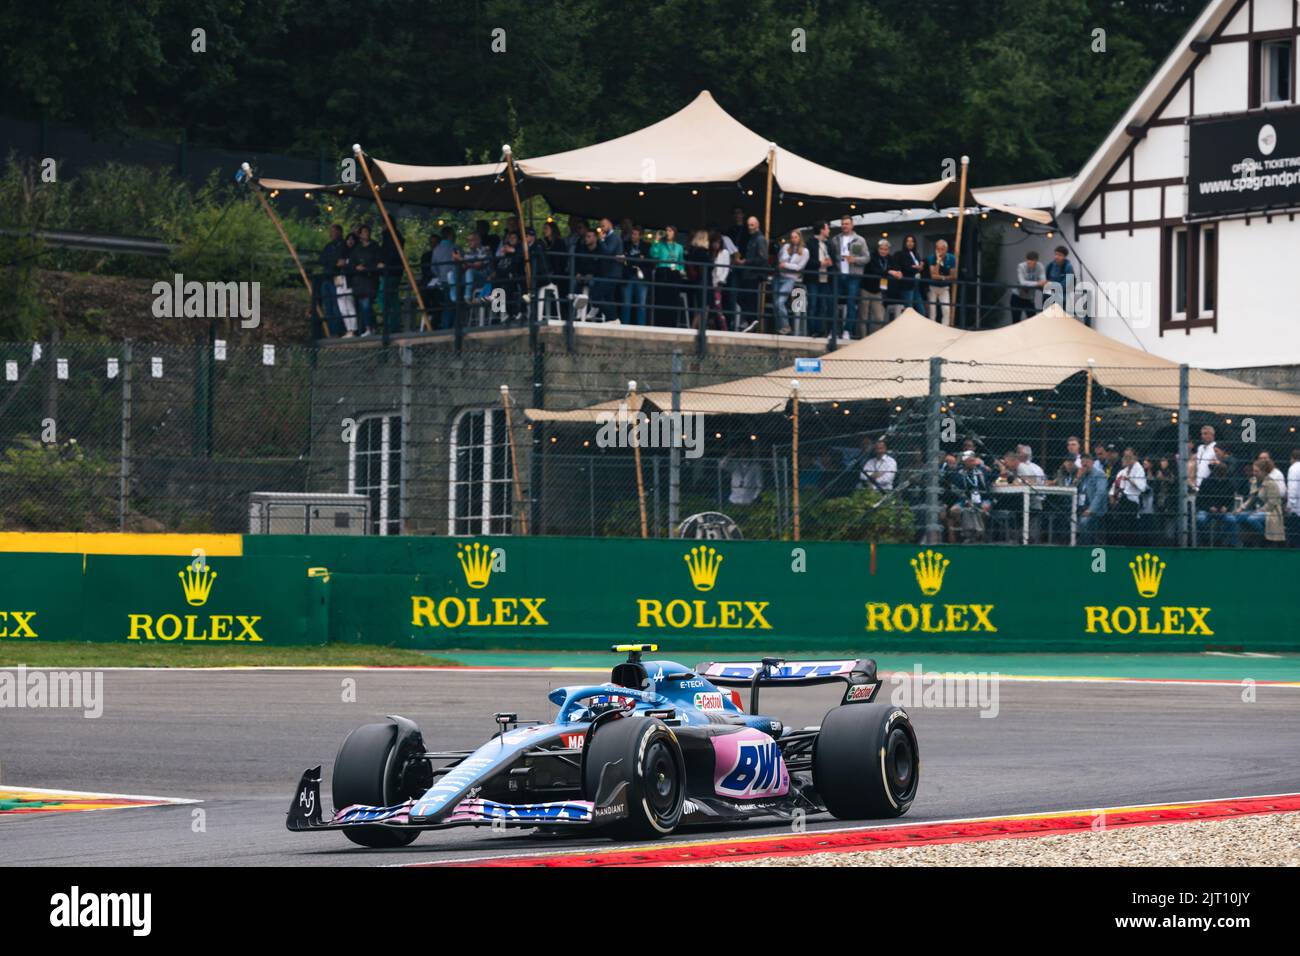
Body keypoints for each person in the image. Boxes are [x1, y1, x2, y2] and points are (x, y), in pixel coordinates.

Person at [1222, 458, 1286, 546]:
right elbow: (1252, 498)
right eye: (1253, 471)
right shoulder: (1254, 481)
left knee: (1252, 519)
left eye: (1256, 471)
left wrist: (1259, 511)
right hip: (1256, 510)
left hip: (1271, 512)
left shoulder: (1271, 483)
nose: (1254, 473)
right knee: (1233, 517)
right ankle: (1236, 543)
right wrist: (1241, 508)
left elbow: (1271, 503)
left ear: (1264, 471)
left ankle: (1265, 538)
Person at [832, 217, 868, 339]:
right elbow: (832, 256)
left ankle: (847, 330)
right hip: (839, 275)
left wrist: (855, 260)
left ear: (852, 225)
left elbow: (866, 258)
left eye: (847, 224)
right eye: (843, 224)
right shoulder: (835, 239)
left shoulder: (860, 240)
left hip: (853, 276)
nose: (844, 226)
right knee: (832, 302)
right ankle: (834, 330)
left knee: (851, 303)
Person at [732, 216, 768, 332]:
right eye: (748, 225)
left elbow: (763, 258)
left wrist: (745, 262)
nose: (750, 227)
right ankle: (751, 320)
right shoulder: (753, 238)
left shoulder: (760, 239)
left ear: (757, 225)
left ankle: (752, 320)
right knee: (743, 297)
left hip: (754, 274)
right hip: (749, 273)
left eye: (752, 225)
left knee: (747, 298)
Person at [947, 451, 992, 542]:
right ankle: (973, 534)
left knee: (983, 508)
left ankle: (975, 535)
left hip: (982, 498)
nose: (973, 463)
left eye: (973, 460)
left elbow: (987, 487)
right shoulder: (959, 473)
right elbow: (957, 490)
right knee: (954, 510)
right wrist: (966, 500)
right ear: (964, 462)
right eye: (970, 461)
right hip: (964, 499)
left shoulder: (981, 471)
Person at [347, 225, 383, 335]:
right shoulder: (357, 249)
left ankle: (369, 328)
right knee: (364, 306)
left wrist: (367, 268)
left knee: (366, 304)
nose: (366, 234)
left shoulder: (375, 246)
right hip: (359, 281)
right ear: (360, 235)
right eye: (364, 232)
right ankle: (371, 327)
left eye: (367, 231)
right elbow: (351, 263)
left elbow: (379, 263)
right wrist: (356, 267)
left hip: (370, 279)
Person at [1107, 447, 1147, 545]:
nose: (1126, 459)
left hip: (1132, 503)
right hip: (1120, 503)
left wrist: (1129, 479)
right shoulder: (1122, 472)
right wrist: (1112, 498)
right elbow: (1113, 488)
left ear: (1135, 457)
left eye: (1129, 457)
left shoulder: (1139, 469)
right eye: (1125, 456)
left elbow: (1142, 487)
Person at [862, 238, 904, 332]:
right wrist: (889, 272)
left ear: (888, 250)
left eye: (885, 249)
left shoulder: (890, 258)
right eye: (881, 249)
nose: (883, 251)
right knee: (863, 317)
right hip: (866, 289)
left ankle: (873, 337)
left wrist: (899, 272)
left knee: (879, 318)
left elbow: (896, 267)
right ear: (878, 249)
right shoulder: (872, 257)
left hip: (878, 291)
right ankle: (863, 338)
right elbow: (876, 270)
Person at [649, 225, 686, 326]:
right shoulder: (660, 244)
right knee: (661, 298)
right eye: (666, 230)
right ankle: (659, 324)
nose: (668, 232)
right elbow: (653, 254)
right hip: (662, 271)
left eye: (670, 231)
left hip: (674, 273)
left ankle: (671, 324)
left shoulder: (679, 247)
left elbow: (681, 261)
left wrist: (682, 270)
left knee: (673, 299)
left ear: (674, 233)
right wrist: (656, 241)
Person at [775, 229, 808, 335]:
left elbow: (799, 267)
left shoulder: (804, 251)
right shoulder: (786, 247)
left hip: (792, 278)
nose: (793, 239)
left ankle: (786, 326)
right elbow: (780, 259)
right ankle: (780, 327)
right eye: (792, 237)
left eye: (795, 237)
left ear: (800, 238)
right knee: (776, 303)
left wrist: (786, 265)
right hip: (780, 276)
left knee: (780, 302)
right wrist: (786, 264)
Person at [805, 221, 836, 335]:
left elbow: (833, 260)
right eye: (827, 228)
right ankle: (811, 331)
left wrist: (830, 263)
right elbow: (806, 261)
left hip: (825, 279)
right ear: (822, 230)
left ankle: (819, 331)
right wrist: (820, 263)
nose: (829, 230)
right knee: (812, 304)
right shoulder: (810, 243)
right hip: (813, 279)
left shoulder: (829, 244)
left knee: (822, 305)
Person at [1195, 461, 1235, 545]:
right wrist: (1209, 507)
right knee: (1200, 519)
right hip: (1207, 510)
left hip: (1222, 511)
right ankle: (1203, 542)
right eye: (1219, 473)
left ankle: (1227, 543)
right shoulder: (1206, 482)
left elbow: (1231, 500)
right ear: (1215, 472)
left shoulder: (1229, 483)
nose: (1221, 476)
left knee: (1231, 520)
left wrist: (1226, 507)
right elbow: (1199, 500)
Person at [318, 225, 348, 336]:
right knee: (328, 305)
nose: (331, 234)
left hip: (338, 277)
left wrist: (334, 262)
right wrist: (334, 262)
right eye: (331, 232)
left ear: (340, 232)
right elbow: (322, 259)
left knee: (337, 304)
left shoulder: (344, 246)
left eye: (334, 231)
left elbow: (342, 260)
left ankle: (338, 330)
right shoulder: (329, 246)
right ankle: (331, 331)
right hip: (327, 277)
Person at [594, 217, 624, 321]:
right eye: (600, 226)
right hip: (607, 273)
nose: (601, 228)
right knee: (608, 298)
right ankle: (613, 319)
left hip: (612, 273)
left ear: (610, 225)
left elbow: (608, 252)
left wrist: (601, 240)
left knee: (596, 296)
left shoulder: (614, 237)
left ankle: (613, 318)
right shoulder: (608, 237)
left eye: (603, 226)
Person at [620, 225, 651, 325]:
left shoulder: (646, 246)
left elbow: (648, 261)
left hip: (641, 278)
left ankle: (641, 328)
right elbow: (623, 259)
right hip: (628, 276)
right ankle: (624, 327)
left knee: (641, 305)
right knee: (626, 304)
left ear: (640, 236)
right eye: (632, 234)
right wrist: (638, 258)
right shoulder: (625, 244)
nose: (632, 236)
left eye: (635, 234)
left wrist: (630, 258)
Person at [1076, 454, 1109, 545]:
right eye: (1082, 462)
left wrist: (1091, 509)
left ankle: (1085, 547)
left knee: (1084, 522)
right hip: (1080, 507)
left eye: (1087, 462)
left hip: (1094, 509)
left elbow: (1100, 493)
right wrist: (1077, 478)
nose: (1084, 464)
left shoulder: (1099, 474)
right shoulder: (1082, 475)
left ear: (1093, 462)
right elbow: (1073, 489)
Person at [684, 230, 713, 329]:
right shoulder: (702, 252)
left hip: (696, 281)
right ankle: (700, 329)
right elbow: (710, 265)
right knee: (705, 308)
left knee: (701, 308)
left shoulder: (692, 251)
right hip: (704, 281)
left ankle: (695, 329)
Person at [894, 234, 926, 316]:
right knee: (909, 310)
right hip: (907, 285)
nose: (910, 243)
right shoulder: (900, 254)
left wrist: (920, 267)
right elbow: (905, 267)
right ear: (905, 243)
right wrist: (915, 268)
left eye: (912, 241)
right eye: (908, 241)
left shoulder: (916, 254)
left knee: (922, 311)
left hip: (916, 284)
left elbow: (919, 267)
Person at [926, 239, 956, 325]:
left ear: (946, 249)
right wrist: (938, 261)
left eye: (942, 249)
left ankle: (945, 328)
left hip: (944, 287)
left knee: (946, 309)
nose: (940, 251)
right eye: (938, 249)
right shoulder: (932, 258)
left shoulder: (952, 258)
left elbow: (952, 276)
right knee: (932, 311)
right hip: (932, 287)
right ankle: (932, 328)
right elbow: (933, 275)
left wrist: (941, 277)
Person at [1011, 250, 1045, 323]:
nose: (1030, 264)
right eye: (1028, 262)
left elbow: (1043, 281)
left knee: (1033, 320)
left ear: (1036, 261)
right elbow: (1022, 282)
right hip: (1017, 296)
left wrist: (1039, 283)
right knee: (1016, 321)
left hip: (1029, 298)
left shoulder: (1040, 266)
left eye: (1033, 262)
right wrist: (1037, 283)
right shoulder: (1021, 266)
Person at [708, 231, 732, 330]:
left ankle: (724, 328)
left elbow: (726, 268)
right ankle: (714, 327)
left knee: (718, 306)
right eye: (714, 242)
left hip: (720, 283)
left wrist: (721, 281)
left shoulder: (725, 253)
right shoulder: (711, 254)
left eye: (718, 242)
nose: (716, 244)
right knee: (712, 307)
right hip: (711, 283)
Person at [1044, 245, 1075, 316]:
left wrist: (1050, 284)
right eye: (1056, 254)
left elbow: (1067, 284)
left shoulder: (1068, 267)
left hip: (1063, 299)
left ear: (1064, 256)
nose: (1057, 257)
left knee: (1061, 318)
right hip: (1049, 297)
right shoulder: (1050, 265)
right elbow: (1045, 280)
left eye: (1060, 255)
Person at [1189, 425, 1218, 491]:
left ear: (1212, 435)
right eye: (1202, 434)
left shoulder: (1216, 447)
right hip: (1197, 483)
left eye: (1205, 434)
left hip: (1208, 484)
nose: (1203, 436)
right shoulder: (1200, 448)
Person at [1286, 448, 1300, 547]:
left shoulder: (1294, 468)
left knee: (1295, 537)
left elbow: (1293, 488)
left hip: (1296, 509)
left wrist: (1290, 505)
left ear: (1292, 458)